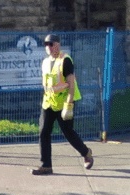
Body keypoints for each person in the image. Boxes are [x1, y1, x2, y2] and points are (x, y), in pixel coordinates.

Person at [32, 33, 94, 175]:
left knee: (68, 132)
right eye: (46, 44)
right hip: (49, 102)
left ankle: (86, 152)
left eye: (51, 44)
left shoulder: (65, 60)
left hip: (64, 102)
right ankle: (46, 165)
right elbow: (47, 83)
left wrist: (69, 105)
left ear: (58, 45)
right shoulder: (45, 62)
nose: (48, 47)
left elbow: (71, 84)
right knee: (43, 132)